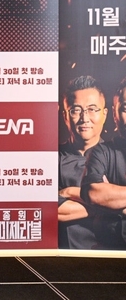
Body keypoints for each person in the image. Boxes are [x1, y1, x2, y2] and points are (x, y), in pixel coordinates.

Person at [58, 76, 106, 249]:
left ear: (104, 114)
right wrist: (108, 204)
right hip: (66, 257)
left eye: (92, 109)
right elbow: (52, 210)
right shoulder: (52, 158)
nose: (84, 118)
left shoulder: (118, 155)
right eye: (76, 110)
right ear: (65, 116)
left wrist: (70, 192)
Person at [81, 77, 126, 249]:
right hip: (109, 252)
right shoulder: (102, 151)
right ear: (114, 114)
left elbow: (103, 197)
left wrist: (114, 202)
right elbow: (93, 194)